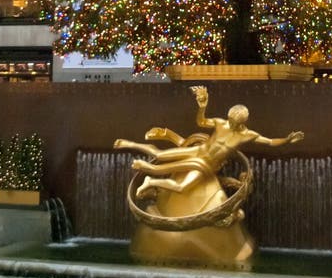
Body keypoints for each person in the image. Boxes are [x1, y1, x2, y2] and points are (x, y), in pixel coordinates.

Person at [114, 85, 304, 198]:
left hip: (206, 165)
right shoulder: (221, 124)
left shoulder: (248, 135)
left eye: (234, 122)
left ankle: (150, 181)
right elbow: (201, 122)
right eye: (230, 120)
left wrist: (287, 139)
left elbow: (270, 142)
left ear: (241, 122)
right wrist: (202, 107)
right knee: (159, 155)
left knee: (179, 186)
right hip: (198, 151)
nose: (230, 123)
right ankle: (131, 144)